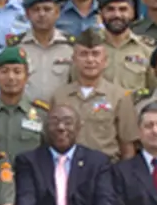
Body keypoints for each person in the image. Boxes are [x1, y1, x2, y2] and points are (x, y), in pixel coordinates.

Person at [50, 28, 139, 162]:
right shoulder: (60, 96)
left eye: (95, 54)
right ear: (74, 60)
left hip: (107, 170)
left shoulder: (119, 96)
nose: (90, 60)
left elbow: (127, 147)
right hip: (68, 169)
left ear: (105, 60)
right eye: (84, 54)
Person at [0, 46, 49, 162]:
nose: (11, 77)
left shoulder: (42, 114)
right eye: (4, 71)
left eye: (17, 71)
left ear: (27, 77)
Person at [9, 0, 75, 103]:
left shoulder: (71, 47)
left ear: (57, 12)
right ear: (27, 15)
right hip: (27, 116)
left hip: (61, 115)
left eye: (47, 9)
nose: (42, 14)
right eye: (36, 9)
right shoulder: (16, 47)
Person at [97, 0, 157, 93]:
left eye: (123, 9)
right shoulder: (89, 47)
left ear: (132, 13)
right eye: (110, 9)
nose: (117, 15)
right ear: (101, 13)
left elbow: (156, 91)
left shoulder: (147, 50)